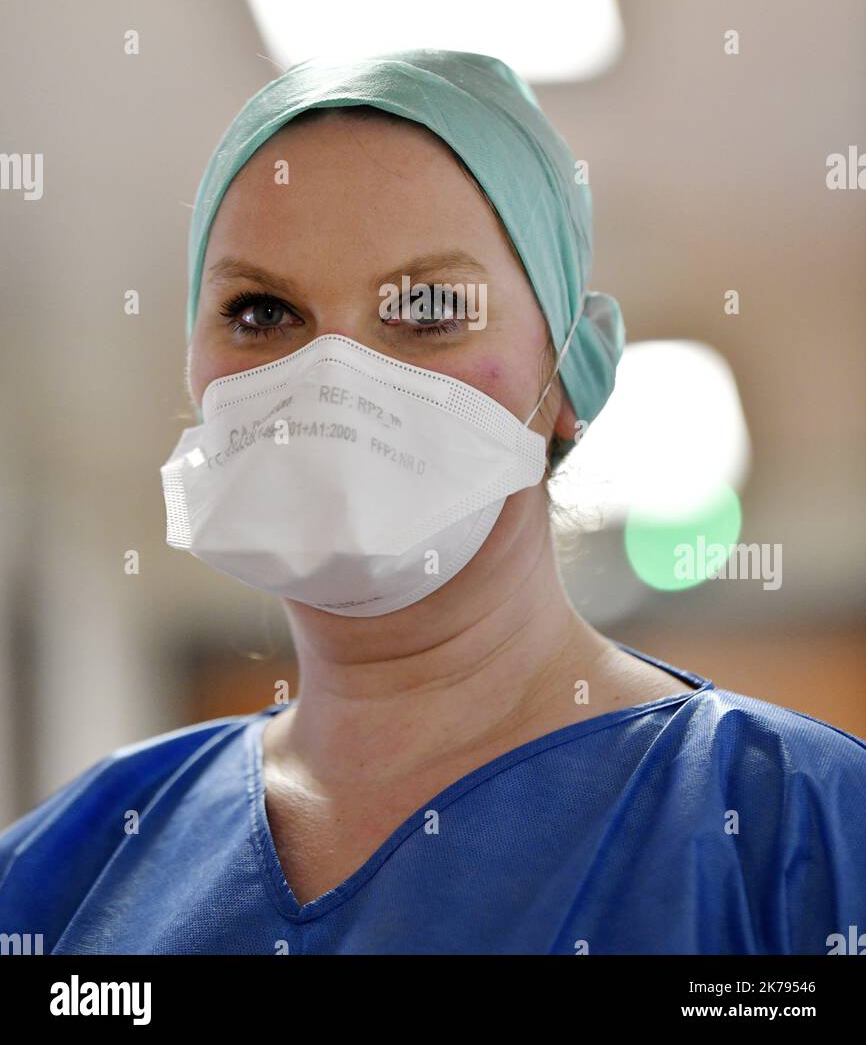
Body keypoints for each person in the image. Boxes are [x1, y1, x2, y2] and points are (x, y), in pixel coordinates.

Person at [0, 49, 863, 956]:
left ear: (571, 370)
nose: (330, 378)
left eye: (427, 305)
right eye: (261, 312)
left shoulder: (791, 833)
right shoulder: (72, 872)